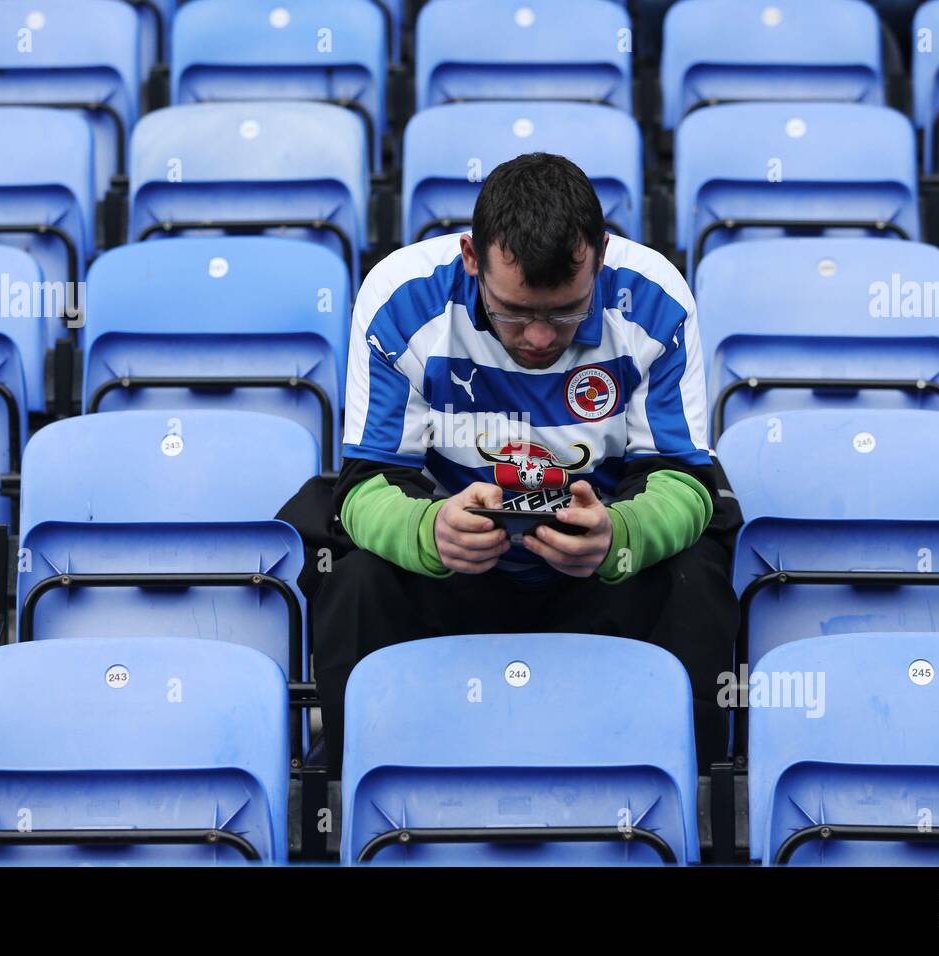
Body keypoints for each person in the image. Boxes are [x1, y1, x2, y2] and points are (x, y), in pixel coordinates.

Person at [306, 152, 741, 775]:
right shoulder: (399, 300)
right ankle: (369, 793)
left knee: (694, 577)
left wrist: (619, 537)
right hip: (456, 569)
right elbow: (365, 486)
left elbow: (683, 480)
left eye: (566, 312)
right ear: (470, 258)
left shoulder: (656, 299)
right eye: (513, 312)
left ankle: (680, 802)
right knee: (355, 584)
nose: (538, 339)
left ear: (601, 254)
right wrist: (430, 533)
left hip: (601, 571)